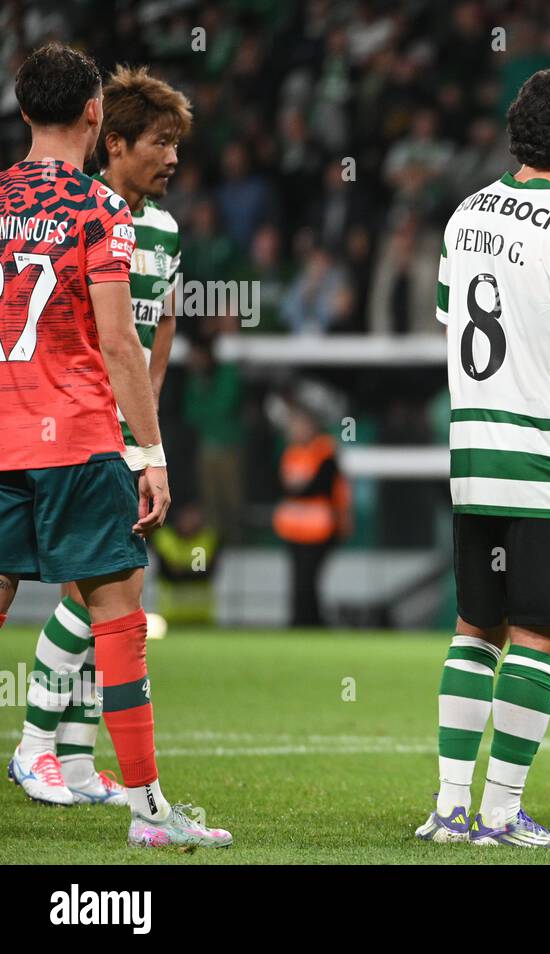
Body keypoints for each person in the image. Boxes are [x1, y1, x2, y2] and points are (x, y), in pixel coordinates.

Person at [0, 43, 229, 848]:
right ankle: (148, 815)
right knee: (119, 616)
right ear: (96, 117)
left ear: (24, 111)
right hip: (79, 439)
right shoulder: (102, 213)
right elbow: (122, 344)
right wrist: (153, 452)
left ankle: (55, 754)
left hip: (2, 435)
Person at [416, 66, 550, 849]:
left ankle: (449, 808)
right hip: (546, 457)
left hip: (474, 454)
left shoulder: (465, 214)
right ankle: (502, 814)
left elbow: (452, 316)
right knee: (541, 634)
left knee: (476, 628)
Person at [272, 400, 352, 627]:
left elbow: (323, 485)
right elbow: (281, 484)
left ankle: (310, 622)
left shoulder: (325, 451)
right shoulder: (291, 452)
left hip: (319, 529)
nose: (295, 429)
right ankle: (300, 621)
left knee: (308, 580)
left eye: (299, 424)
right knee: (298, 579)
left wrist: (299, 488)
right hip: (293, 529)